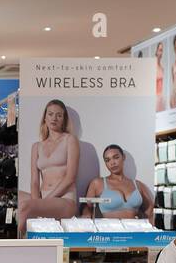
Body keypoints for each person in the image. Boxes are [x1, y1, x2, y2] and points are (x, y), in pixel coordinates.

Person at [18, 99, 80, 236]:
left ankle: (18, 248)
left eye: (59, 115)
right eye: (50, 114)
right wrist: (37, 202)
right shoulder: (37, 146)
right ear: (45, 118)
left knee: (24, 207)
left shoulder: (70, 140)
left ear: (64, 119)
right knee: (14, 198)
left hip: (65, 200)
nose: (54, 118)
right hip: (43, 198)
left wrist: (41, 203)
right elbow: (34, 181)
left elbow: (70, 178)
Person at [82, 145, 154, 222]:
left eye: (116, 157)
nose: (112, 163)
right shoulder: (98, 183)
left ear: (123, 157)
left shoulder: (138, 185)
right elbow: (86, 205)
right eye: (107, 160)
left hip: (135, 231)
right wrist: (86, 213)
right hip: (110, 231)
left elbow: (150, 212)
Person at [154, 42, 166, 112]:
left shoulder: (162, 68)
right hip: (155, 99)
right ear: (156, 51)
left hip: (161, 99)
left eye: (162, 50)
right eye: (159, 50)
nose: (161, 52)